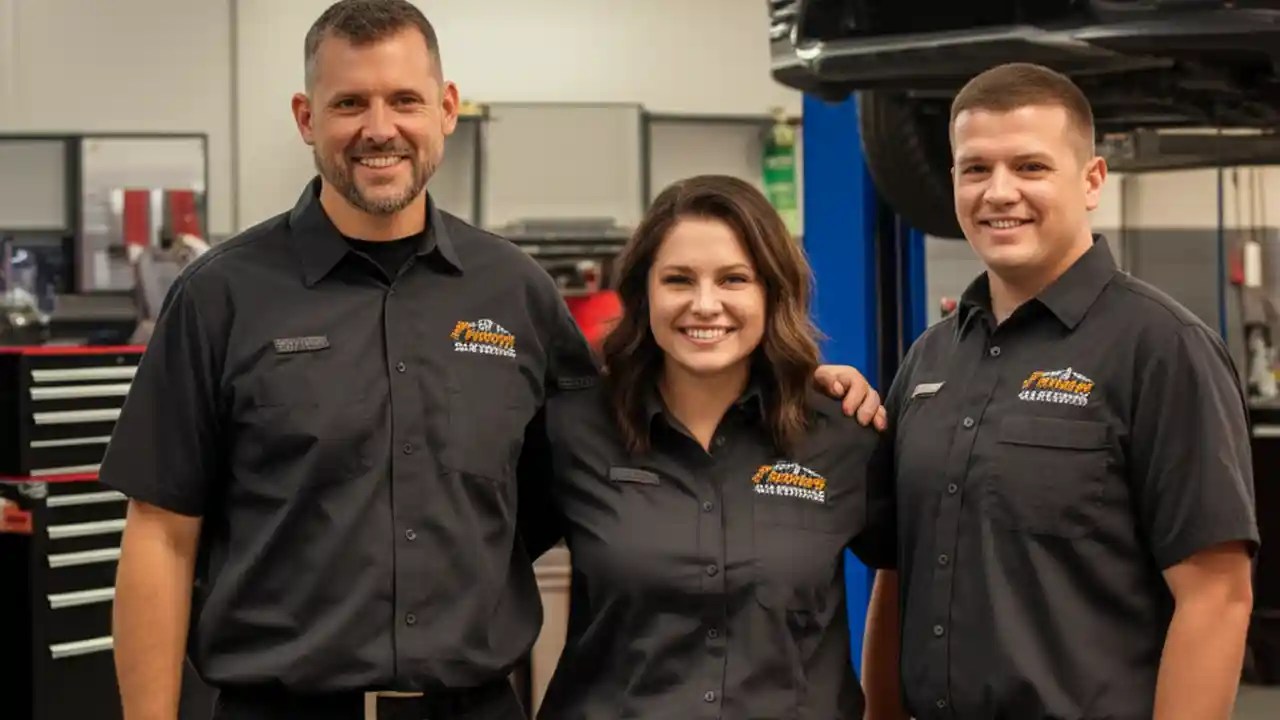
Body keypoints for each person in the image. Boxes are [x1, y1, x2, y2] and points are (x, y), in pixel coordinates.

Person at [99, 3, 885, 719]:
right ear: (307, 118)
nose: (380, 127)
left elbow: (627, 418)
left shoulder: (516, 294)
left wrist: (785, 378)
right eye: (349, 103)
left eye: (405, 100)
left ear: (445, 109)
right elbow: (160, 534)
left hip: (472, 707)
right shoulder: (221, 297)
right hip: (281, 705)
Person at [861, 62, 1261, 720]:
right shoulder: (929, 359)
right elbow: (896, 573)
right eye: (975, 169)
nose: (999, 193)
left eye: (1030, 167)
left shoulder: (1161, 348)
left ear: (1092, 180)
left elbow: (1217, 597)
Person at [528, 175, 897, 719]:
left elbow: (907, 570)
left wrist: (887, 709)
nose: (705, 305)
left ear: (772, 292)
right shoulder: (571, 429)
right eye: (678, 280)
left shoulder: (842, 435)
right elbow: (483, 561)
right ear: (642, 292)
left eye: (734, 280)